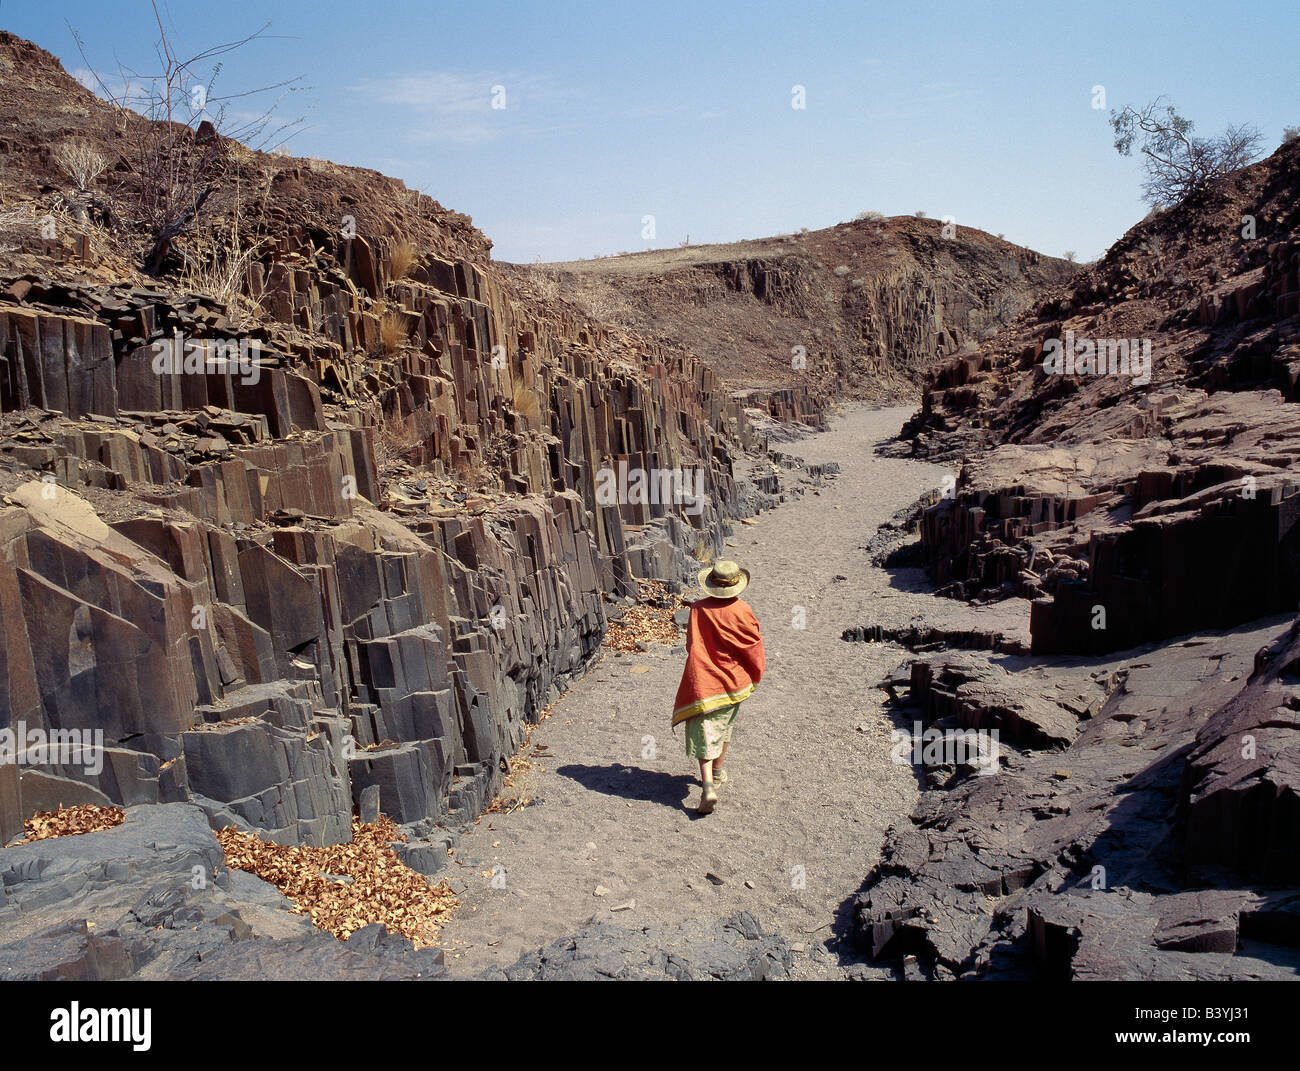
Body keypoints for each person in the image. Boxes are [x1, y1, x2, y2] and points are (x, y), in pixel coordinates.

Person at [671, 560, 765, 814]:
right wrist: (755, 673)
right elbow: (752, 644)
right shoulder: (744, 609)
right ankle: (718, 772)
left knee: (704, 732)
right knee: (724, 728)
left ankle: (708, 786)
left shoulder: (698, 609)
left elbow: (693, 643)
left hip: (705, 681)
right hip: (735, 682)